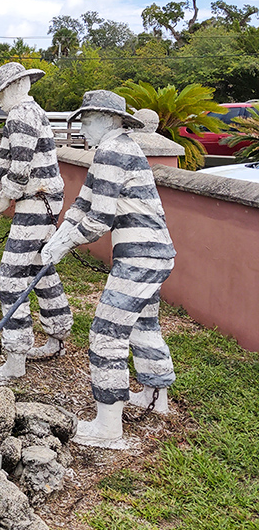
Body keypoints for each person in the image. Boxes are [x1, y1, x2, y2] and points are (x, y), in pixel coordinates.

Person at [41, 90, 176, 448]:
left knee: (106, 332)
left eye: (88, 118)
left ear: (110, 119)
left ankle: (108, 424)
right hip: (152, 255)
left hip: (140, 258)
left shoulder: (115, 150)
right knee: (143, 325)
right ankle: (154, 396)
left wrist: (66, 243)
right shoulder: (110, 151)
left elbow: (100, 218)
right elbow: (84, 202)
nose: (83, 125)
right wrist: (60, 235)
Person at [0, 62, 72, 383]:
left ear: (13, 89)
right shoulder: (21, 115)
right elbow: (3, 163)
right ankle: (57, 336)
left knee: (10, 277)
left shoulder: (22, 116)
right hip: (43, 197)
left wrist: (1, 202)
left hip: (39, 199)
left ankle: (16, 357)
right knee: (40, 267)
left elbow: (19, 173)